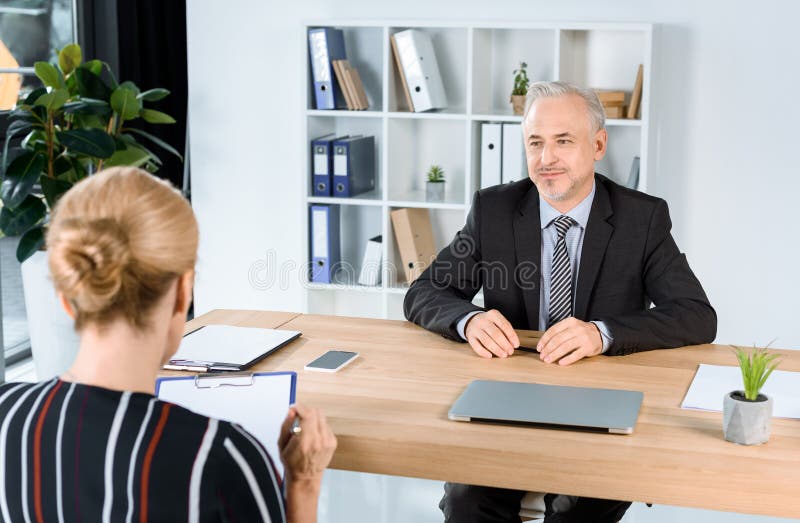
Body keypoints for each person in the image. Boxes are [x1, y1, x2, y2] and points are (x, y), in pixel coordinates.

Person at [404, 81, 716, 522]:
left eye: (563, 141)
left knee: (577, 508)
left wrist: (602, 334)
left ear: (599, 144)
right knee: (466, 502)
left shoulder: (641, 218)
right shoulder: (494, 209)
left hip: (600, 401)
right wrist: (469, 320)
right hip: (507, 399)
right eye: (536, 142)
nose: (546, 159)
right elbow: (425, 291)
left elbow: (696, 315)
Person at [0, 167, 336, 522]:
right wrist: (304, 483)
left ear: (68, 298)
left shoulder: (6, 416)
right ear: (182, 293)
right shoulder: (219, 458)